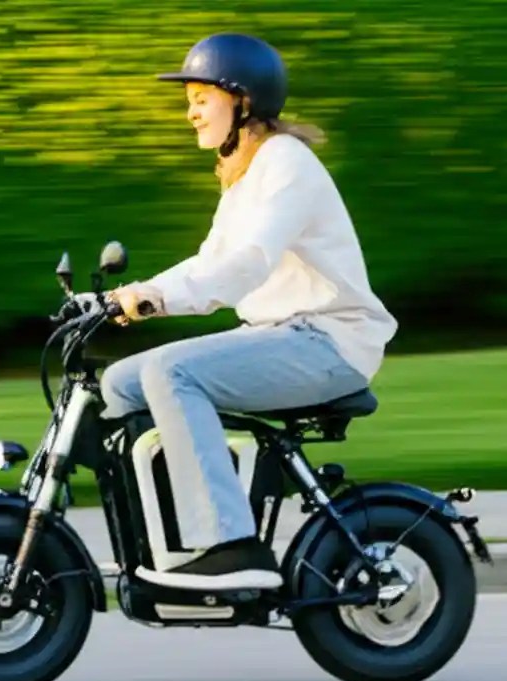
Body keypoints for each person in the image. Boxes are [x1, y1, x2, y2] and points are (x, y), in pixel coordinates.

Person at [85, 33, 398, 592]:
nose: (190, 113)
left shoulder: (285, 163)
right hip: (283, 337)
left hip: (327, 341)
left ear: (243, 102)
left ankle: (228, 544)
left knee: (168, 372)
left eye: (201, 98)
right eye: (190, 101)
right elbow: (210, 262)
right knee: (121, 383)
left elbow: (247, 264)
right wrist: (122, 297)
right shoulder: (244, 176)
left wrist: (152, 301)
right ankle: (167, 540)